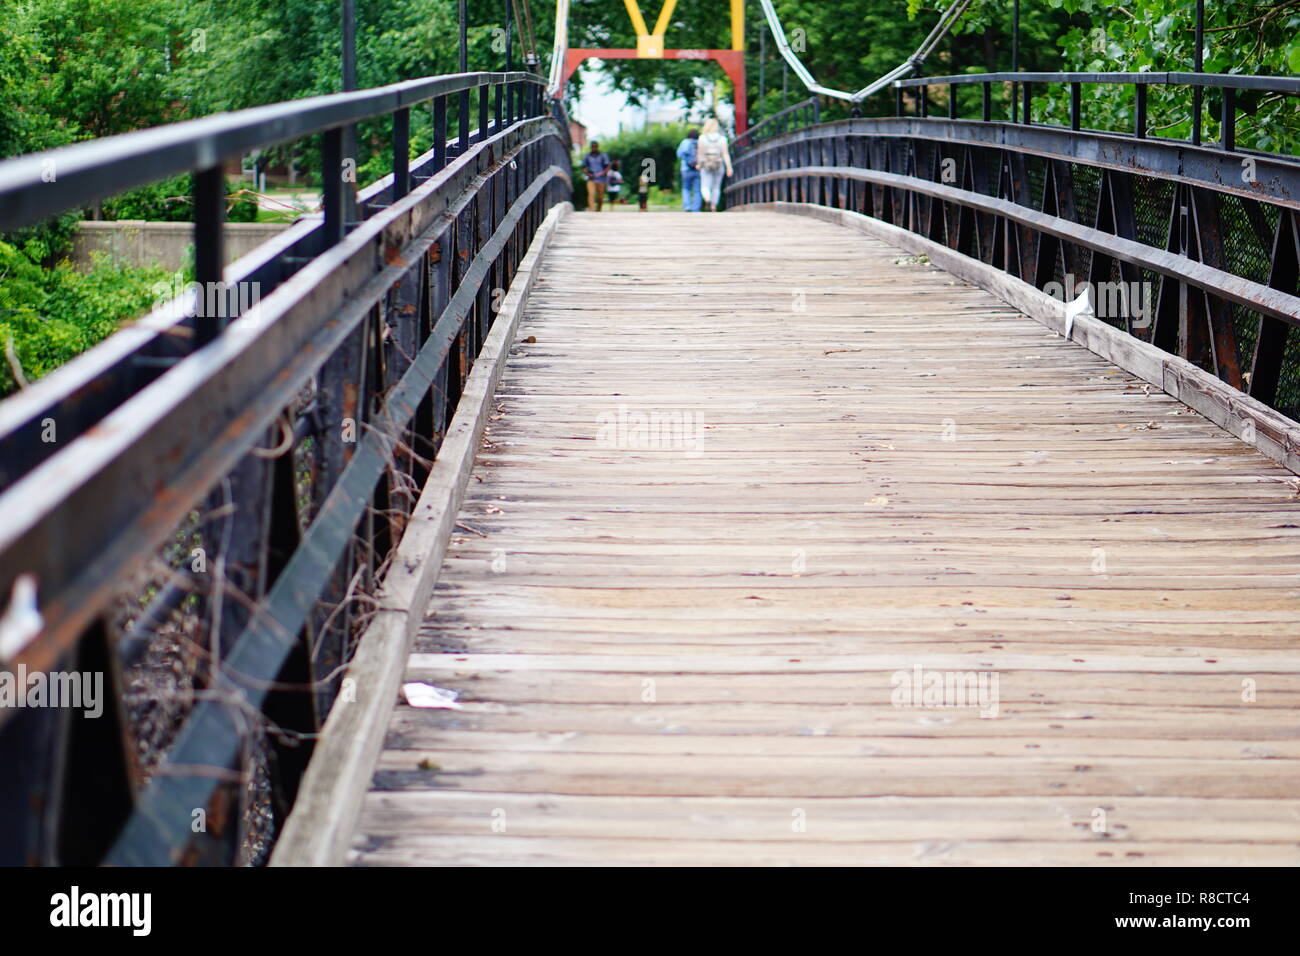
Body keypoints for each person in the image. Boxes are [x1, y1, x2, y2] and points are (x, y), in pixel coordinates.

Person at [697, 117, 733, 212]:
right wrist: (729, 167)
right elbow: (725, 154)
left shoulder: (702, 138)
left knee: (705, 185)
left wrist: (699, 164)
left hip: (706, 164)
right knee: (716, 186)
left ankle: (707, 199)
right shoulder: (722, 139)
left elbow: (700, 154)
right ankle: (714, 205)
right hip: (719, 164)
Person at [676, 129, 701, 212]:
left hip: (686, 169)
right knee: (697, 190)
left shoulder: (685, 142)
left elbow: (679, 154)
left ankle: (687, 206)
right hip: (698, 168)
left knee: (686, 188)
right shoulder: (700, 142)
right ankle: (696, 208)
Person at [582, 141, 611, 211]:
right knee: (591, 194)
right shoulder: (587, 156)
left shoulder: (603, 156)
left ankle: (598, 210)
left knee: (600, 197)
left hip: (601, 179)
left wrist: (602, 173)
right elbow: (583, 167)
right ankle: (592, 210)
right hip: (591, 178)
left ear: (597, 147)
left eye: (595, 146)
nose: (594, 148)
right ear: (591, 147)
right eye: (593, 146)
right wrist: (588, 174)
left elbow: (608, 166)